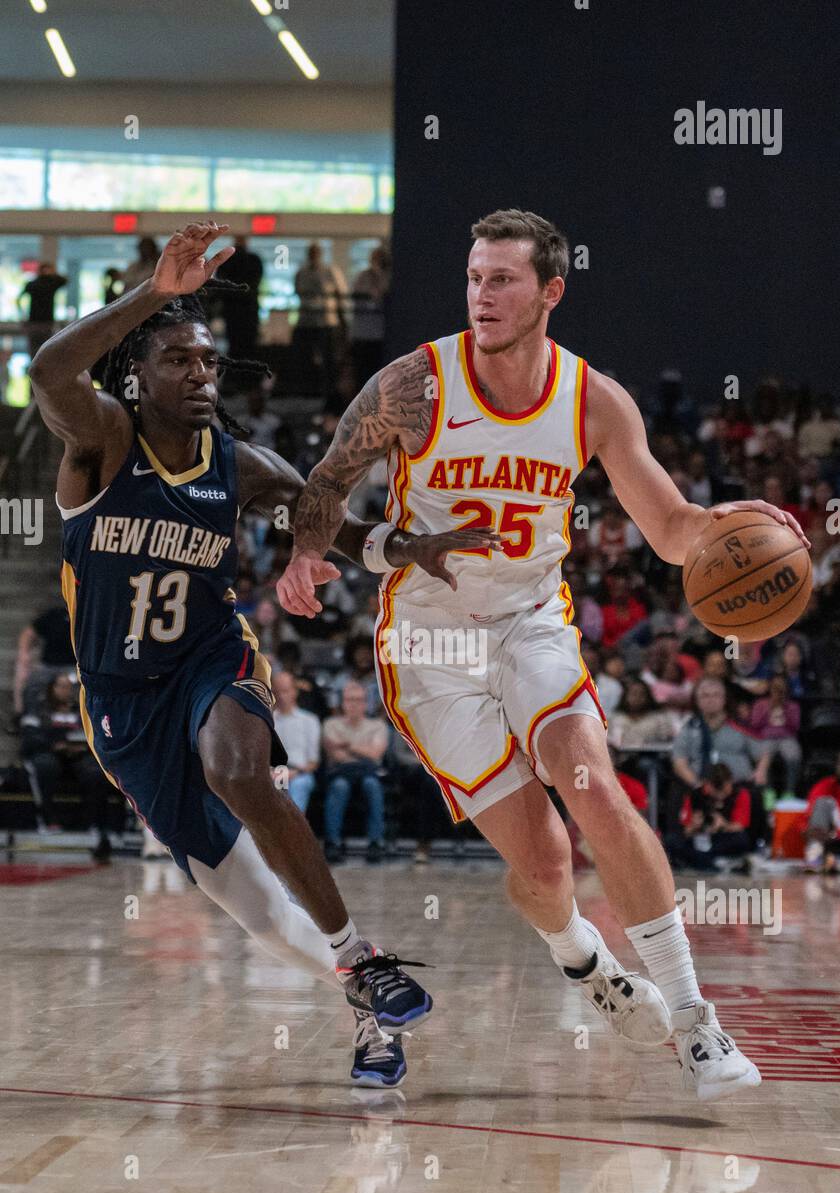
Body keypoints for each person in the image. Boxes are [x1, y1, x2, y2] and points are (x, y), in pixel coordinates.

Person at [277, 207, 808, 1099]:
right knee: (548, 864)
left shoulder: (593, 400)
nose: (483, 295)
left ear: (550, 291)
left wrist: (730, 525)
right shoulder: (416, 385)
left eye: (504, 279)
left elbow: (673, 529)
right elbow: (328, 478)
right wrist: (303, 553)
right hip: (429, 641)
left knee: (591, 778)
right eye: (476, 278)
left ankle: (693, 1021)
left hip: (531, 620)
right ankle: (585, 962)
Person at [29, 221, 496, 1089]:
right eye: (179, 360)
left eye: (209, 362)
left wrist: (407, 550)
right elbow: (50, 368)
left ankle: (356, 950)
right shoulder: (101, 443)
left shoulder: (239, 468)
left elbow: (331, 527)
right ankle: (363, 987)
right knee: (257, 913)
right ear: (136, 376)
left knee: (238, 769)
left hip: (213, 658)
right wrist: (155, 294)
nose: (202, 375)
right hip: (123, 706)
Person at [20, 672, 112, 858]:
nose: (65, 690)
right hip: (48, 752)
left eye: (68, 687)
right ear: (51, 688)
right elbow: (29, 738)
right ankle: (47, 819)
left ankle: (92, 822)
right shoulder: (38, 709)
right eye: (61, 686)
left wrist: (80, 747)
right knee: (46, 766)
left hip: (77, 755)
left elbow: (95, 735)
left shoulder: (79, 710)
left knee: (95, 772)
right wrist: (55, 745)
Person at [322, 682, 389, 863]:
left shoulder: (377, 725)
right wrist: (362, 750)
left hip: (369, 774)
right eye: (350, 700)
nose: (354, 704)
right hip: (340, 772)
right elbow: (336, 755)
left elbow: (376, 754)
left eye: (359, 700)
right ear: (342, 703)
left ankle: (376, 843)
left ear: (366, 703)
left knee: (372, 785)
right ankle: (332, 843)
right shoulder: (331, 724)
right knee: (339, 786)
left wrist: (346, 745)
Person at [666, 763, 752, 872]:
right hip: (699, 838)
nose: (719, 798)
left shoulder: (739, 794)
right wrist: (694, 826)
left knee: (741, 839)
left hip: (721, 839)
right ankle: (709, 860)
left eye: (724, 792)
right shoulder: (695, 795)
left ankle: (704, 860)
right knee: (672, 840)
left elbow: (739, 826)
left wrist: (723, 825)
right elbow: (685, 830)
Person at [294, 243, 349, 397]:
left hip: (326, 322)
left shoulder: (330, 271)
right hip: (306, 322)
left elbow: (340, 294)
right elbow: (298, 291)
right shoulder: (302, 272)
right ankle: (307, 390)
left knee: (328, 360)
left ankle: (329, 392)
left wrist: (342, 320)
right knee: (305, 360)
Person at [271, 671, 320, 815]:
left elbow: (313, 762)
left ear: (295, 692)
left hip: (301, 772)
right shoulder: (267, 720)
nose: (281, 696)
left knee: (299, 785)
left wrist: (294, 772)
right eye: (277, 691)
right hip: (274, 772)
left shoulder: (309, 720)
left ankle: (293, 833)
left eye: (285, 691)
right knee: (275, 786)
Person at [14, 604, 76, 715]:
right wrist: (24, 653)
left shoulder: (85, 616)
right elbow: (29, 633)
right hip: (48, 667)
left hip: (74, 668)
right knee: (30, 682)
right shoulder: (54, 614)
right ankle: (26, 716)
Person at [749, 673, 802, 794]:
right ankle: (769, 794)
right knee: (762, 759)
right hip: (766, 738)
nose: (777, 691)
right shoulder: (760, 704)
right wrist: (770, 708)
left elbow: (795, 727)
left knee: (793, 757)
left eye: (781, 688)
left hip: (787, 737)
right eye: (775, 687)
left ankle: (790, 792)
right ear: (770, 688)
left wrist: (784, 708)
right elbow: (755, 724)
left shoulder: (793, 706)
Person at [349, 243, 390, 388]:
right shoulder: (362, 276)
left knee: (377, 373)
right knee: (361, 373)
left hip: (379, 335)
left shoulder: (387, 277)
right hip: (362, 334)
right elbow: (357, 296)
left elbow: (383, 294)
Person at [217, 235, 263, 362]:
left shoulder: (227, 262)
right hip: (249, 310)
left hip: (232, 310)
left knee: (234, 345)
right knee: (249, 346)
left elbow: (221, 285)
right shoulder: (254, 260)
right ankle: (249, 376)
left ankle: (234, 376)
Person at [18, 262, 68, 353]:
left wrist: (22, 315)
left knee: (35, 349)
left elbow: (19, 299)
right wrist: (53, 272)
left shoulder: (34, 284)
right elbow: (64, 280)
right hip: (44, 321)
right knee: (46, 349)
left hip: (36, 322)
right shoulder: (51, 284)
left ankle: (33, 365)